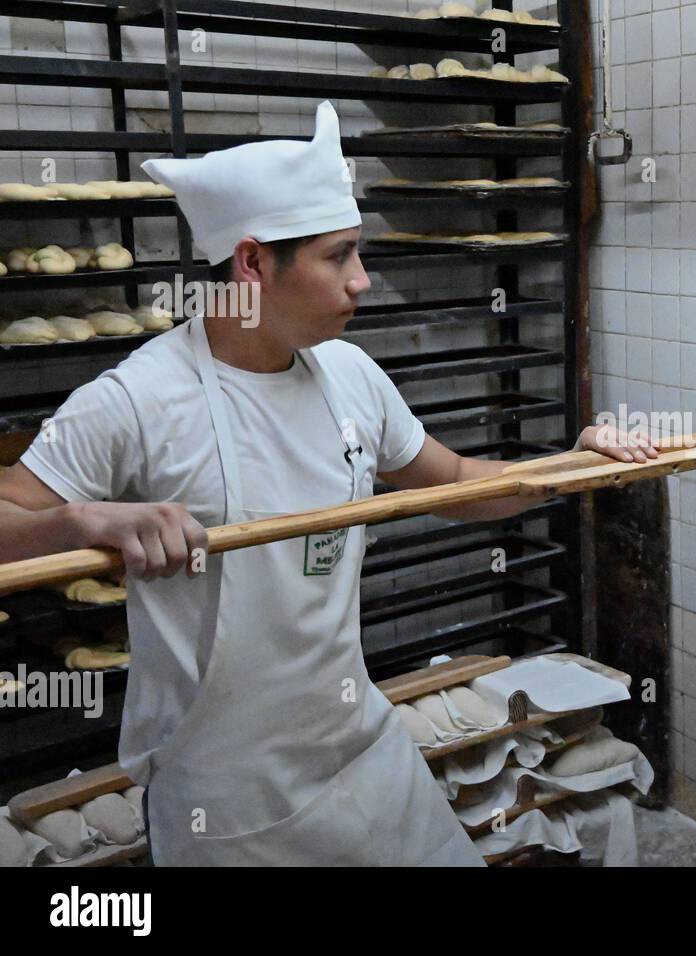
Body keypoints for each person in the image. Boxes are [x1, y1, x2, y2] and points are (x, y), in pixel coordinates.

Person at [0, 100, 655, 865]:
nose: (362, 281)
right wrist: (81, 522)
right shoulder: (138, 400)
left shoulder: (348, 374)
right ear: (252, 265)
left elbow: (457, 484)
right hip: (228, 794)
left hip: (361, 747)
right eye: (338, 256)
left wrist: (571, 465)